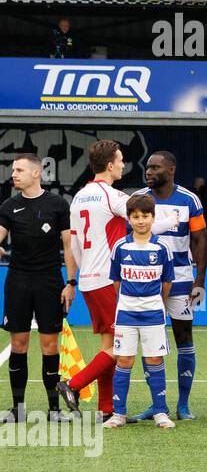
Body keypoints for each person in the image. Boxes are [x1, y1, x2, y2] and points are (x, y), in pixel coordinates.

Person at [58, 141, 176, 418]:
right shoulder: (111, 195)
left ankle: (106, 409)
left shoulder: (79, 197)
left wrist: (73, 279)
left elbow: (73, 245)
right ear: (110, 165)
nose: (123, 164)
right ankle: (72, 385)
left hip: (88, 279)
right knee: (119, 346)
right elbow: (144, 220)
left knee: (107, 346)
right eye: (121, 160)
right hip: (106, 279)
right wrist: (172, 219)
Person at [0, 153, 76, 422]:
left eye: (19, 169)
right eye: (13, 170)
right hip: (18, 281)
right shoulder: (9, 206)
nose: (14, 174)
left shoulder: (57, 204)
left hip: (49, 281)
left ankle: (54, 411)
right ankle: (18, 410)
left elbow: (68, 246)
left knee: (49, 345)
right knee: (18, 344)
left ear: (36, 173)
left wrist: (71, 282)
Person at [133, 151, 207, 421]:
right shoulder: (140, 199)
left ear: (171, 169)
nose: (149, 171)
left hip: (182, 280)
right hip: (146, 282)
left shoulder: (189, 199)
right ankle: (157, 404)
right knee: (151, 341)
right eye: (147, 167)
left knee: (184, 338)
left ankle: (183, 404)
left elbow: (199, 240)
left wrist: (200, 281)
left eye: (155, 167)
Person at [104, 194, 175, 429]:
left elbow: (167, 282)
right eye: (136, 216)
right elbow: (116, 282)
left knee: (154, 359)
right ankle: (119, 414)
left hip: (154, 313)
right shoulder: (120, 247)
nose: (141, 221)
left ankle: (160, 411)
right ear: (129, 219)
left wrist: (157, 303)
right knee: (124, 360)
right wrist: (128, 301)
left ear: (153, 218)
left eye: (145, 216)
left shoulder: (162, 247)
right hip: (126, 313)